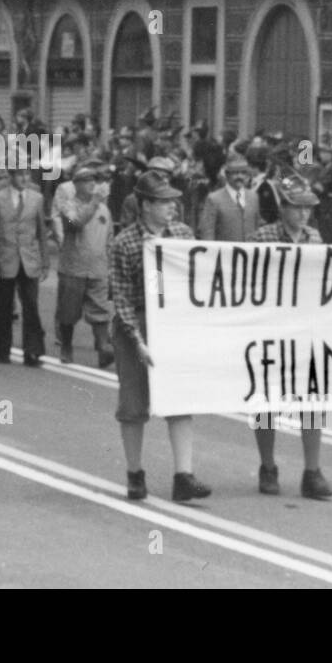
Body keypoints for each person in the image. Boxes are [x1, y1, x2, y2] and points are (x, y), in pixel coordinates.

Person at [108, 171, 212, 502]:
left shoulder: (182, 235)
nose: (172, 207)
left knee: (180, 399)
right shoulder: (124, 241)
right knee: (134, 403)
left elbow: (195, 280)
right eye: (164, 201)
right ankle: (135, 473)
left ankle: (184, 475)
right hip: (137, 324)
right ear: (145, 205)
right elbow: (121, 297)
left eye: (172, 201)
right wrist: (138, 340)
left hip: (173, 322)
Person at [247, 173, 332, 499]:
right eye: (297, 208)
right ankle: (268, 466)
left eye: (308, 209)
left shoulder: (314, 238)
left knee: (312, 399)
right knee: (267, 399)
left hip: (306, 327)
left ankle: (312, 471)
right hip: (272, 326)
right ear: (283, 207)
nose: (303, 215)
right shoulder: (262, 238)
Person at [50, 159, 113, 367]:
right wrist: (93, 203)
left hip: (97, 269)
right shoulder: (68, 206)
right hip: (73, 268)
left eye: (94, 181)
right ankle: (66, 346)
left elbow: (109, 239)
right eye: (86, 181)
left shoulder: (104, 209)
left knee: (100, 310)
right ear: (76, 185)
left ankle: (103, 347)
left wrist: (110, 265)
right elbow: (74, 224)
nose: (92, 185)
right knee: (69, 312)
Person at [0, 164, 49, 366]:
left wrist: (45, 261)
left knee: (31, 305)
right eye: (20, 174)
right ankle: (2, 349)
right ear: (11, 176)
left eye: (27, 174)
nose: (24, 178)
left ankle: (32, 351)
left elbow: (42, 231)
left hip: (29, 258)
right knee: (3, 306)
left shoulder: (36, 198)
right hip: (5, 257)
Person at [197, 152, 259, 242]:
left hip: (248, 254)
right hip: (225, 254)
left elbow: (256, 228)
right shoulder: (214, 199)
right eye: (235, 173)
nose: (239, 176)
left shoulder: (253, 197)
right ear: (227, 175)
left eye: (243, 173)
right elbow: (207, 233)